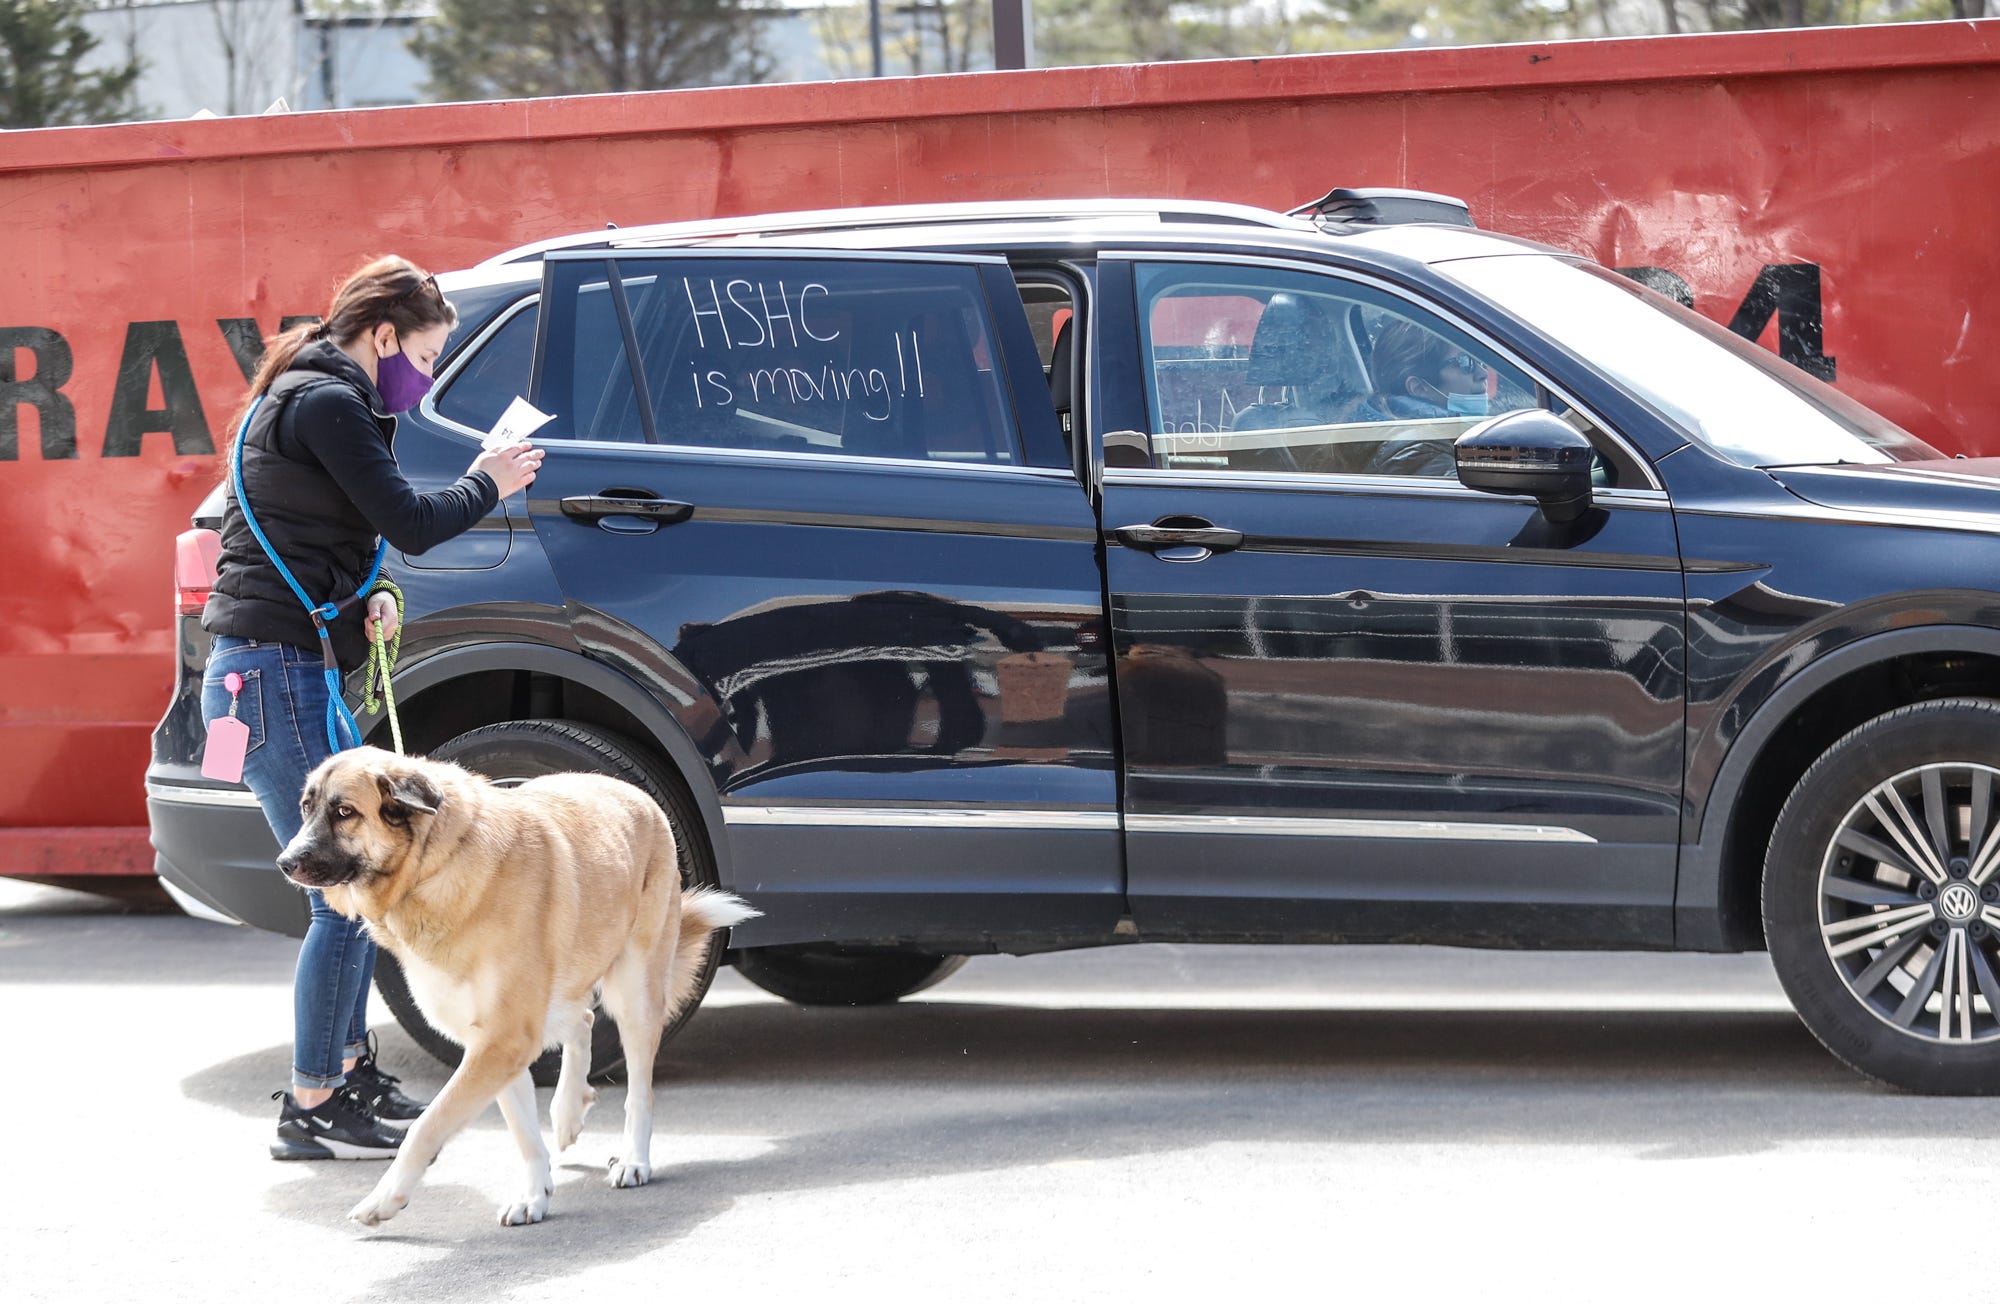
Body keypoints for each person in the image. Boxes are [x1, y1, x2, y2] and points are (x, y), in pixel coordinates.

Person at [199, 256, 545, 1160]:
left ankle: (347, 1076)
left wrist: (371, 590)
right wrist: (492, 478)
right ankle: (314, 1098)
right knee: (345, 892)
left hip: (278, 668)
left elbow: (337, 529)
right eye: (426, 357)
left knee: (355, 889)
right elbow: (414, 518)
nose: (425, 378)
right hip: (272, 675)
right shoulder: (328, 401)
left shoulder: (313, 395)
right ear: (384, 335)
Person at [1361, 319, 1494, 477]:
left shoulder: (1387, 424)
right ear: (1420, 388)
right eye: (1465, 362)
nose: (1483, 374)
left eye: (1479, 361)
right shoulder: (1421, 454)